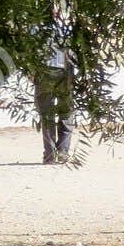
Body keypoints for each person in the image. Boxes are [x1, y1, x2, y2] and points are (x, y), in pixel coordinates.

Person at [35, 17, 74, 165]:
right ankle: (63, 152)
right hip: (65, 73)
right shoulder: (67, 26)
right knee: (66, 114)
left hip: (45, 73)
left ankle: (50, 155)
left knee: (47, 116)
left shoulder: (36, 28)